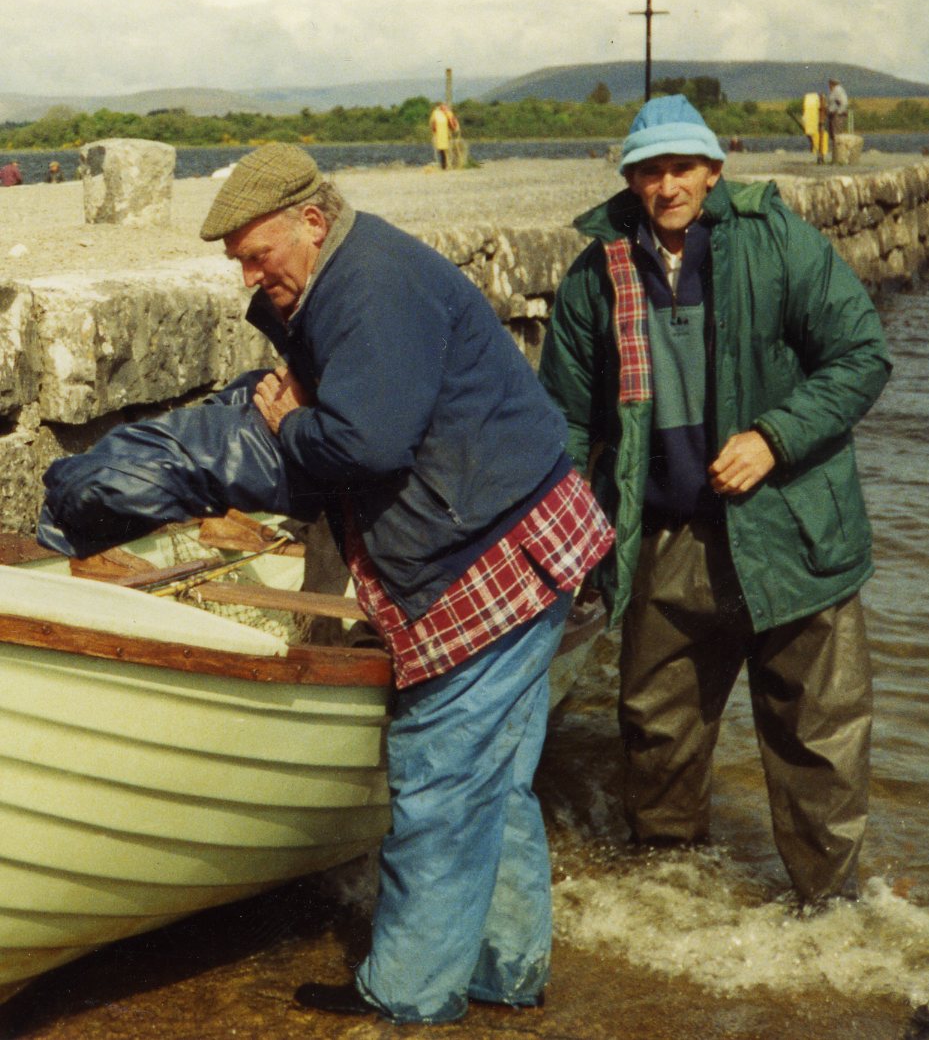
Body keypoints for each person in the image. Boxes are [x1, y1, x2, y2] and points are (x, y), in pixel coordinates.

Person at [198, 143, 614, 1023]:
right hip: (533, 539)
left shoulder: (372, 284)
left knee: (434, 783)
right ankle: (507, 978)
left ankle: (409, 1000)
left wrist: (290, 423)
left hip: (487, 562)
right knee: (492, 789)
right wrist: (287, 332)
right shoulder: (351, 270)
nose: (243, 268)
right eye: (234, 256)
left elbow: (366, 444)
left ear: (312, 221)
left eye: (251, 249)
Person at [538, 96, 891, 905]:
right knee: (657, 738)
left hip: (794, 531)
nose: (666, 186)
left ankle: (828, 914)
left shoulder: (780, 243)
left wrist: (774, 437)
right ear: (629, 178)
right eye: (649, 171)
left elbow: (861, 355)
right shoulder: (595, 275)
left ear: (713, 170)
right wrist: (564, 534)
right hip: (665, 539)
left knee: (819, 741)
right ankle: (670, 909)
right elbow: (559, 415)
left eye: (681, 169)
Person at [429, 101, 458, 169]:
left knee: (446, 150)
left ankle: (447, 165)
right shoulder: (437, 114)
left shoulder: (447, 113)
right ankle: (445, 165)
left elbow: (452, 124)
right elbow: (433, 124)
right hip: (441, 136)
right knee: (443, 151)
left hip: (446, 135)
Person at [827, 78, 849, 162]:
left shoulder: (838, 90)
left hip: (837, 115)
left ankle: (839, 157)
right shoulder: (836, 91)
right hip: (833, 115)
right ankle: (836, 156)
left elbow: (844, 102)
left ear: (832, 84)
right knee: (834, 135)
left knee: (837, 135)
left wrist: (839, 112)